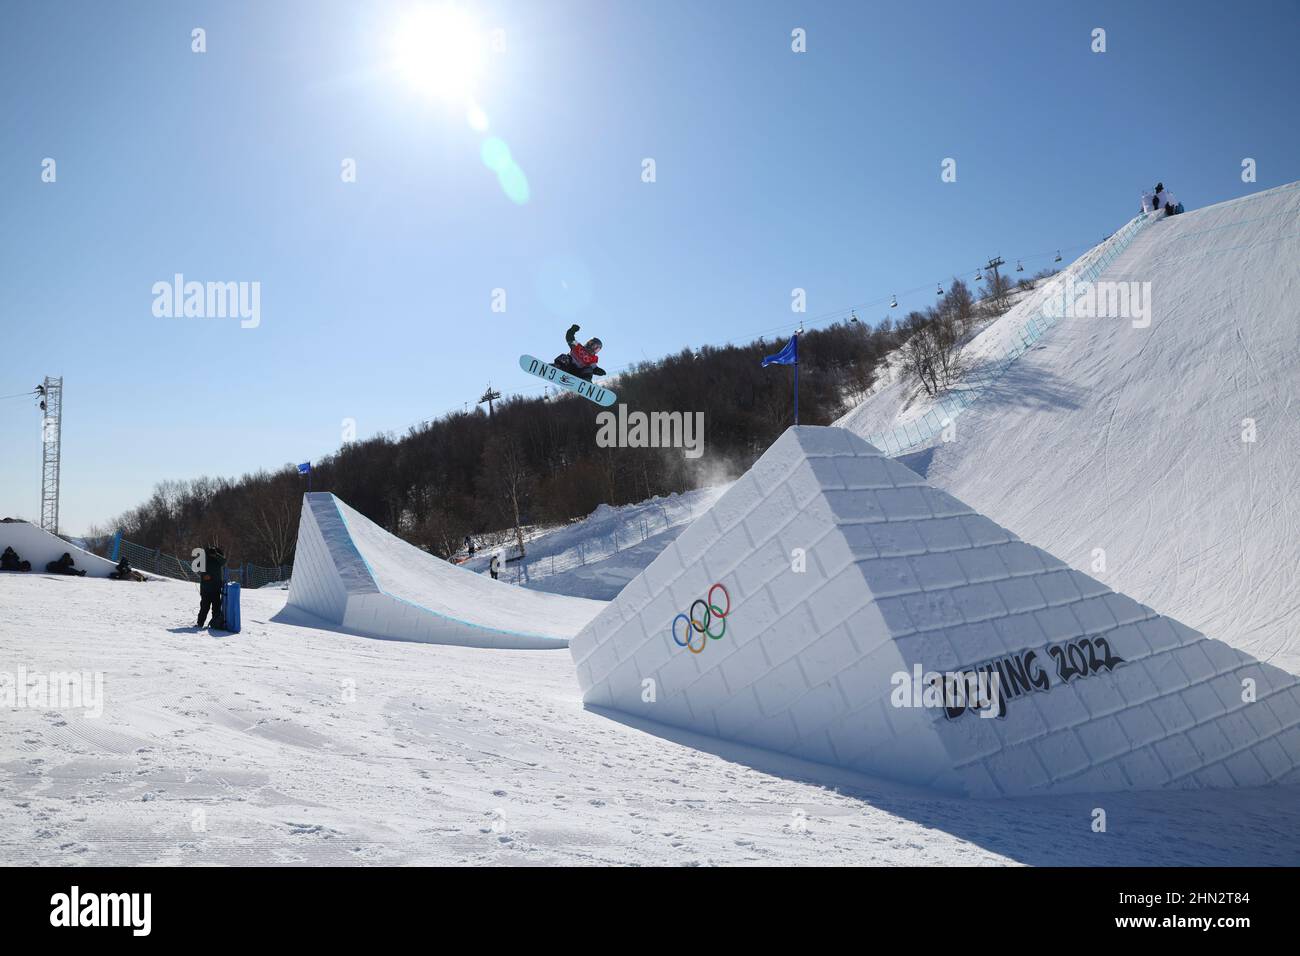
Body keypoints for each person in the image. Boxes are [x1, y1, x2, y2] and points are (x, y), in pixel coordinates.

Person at [197, 544, 227, 628]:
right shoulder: (204, 559)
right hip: (205, 588)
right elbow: (198, 566)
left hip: (216, 588)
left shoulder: (218, 560)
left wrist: (216, 555)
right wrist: (205, 555)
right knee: (204, 607)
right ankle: (200, 623)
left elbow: (224, 561)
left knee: (216, 608)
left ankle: (215, 624)